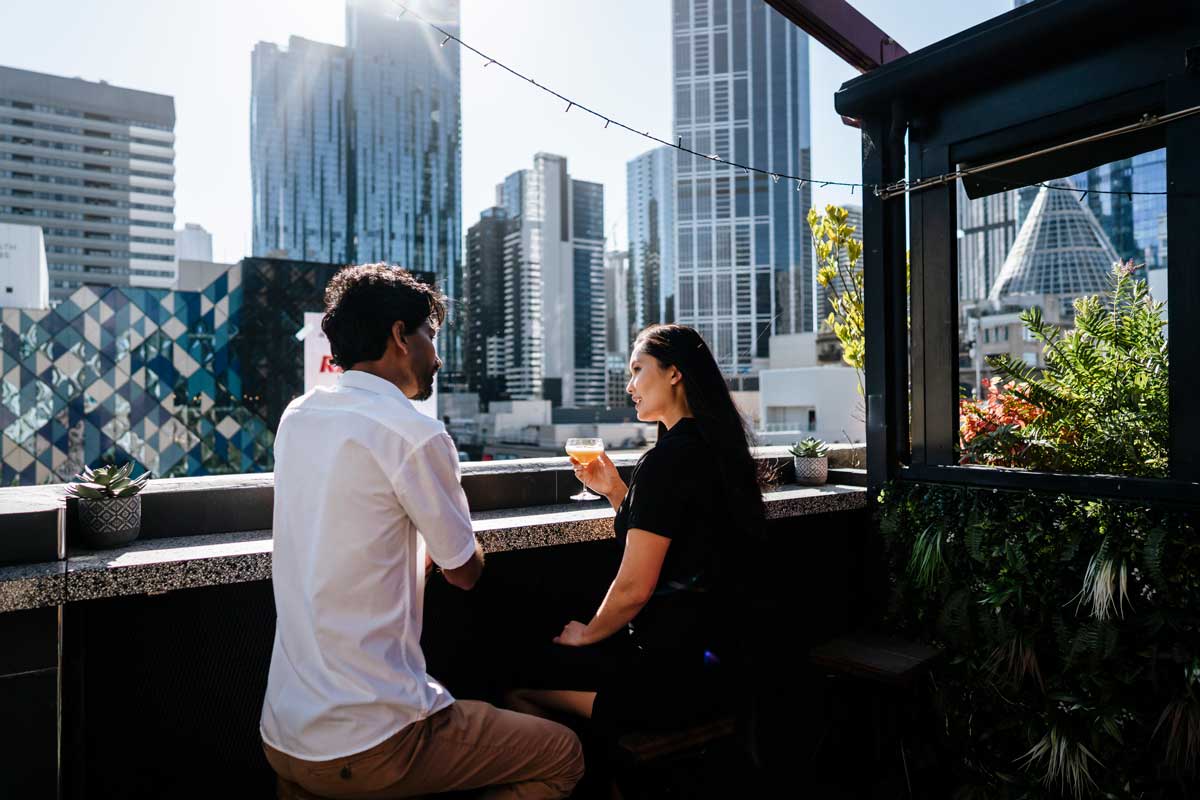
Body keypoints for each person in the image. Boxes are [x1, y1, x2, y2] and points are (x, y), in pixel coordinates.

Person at [261, 264, 583, 799]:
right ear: (398, 336)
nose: (436, 357)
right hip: (374, 738)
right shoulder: (415, 434)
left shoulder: (298, 416)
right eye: (430, 337)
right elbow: (463, 570)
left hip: (285, 733)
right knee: (563, 756)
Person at [506, 324, 766, 733]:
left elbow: (633, 589)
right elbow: (675, 535)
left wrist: (588, 634)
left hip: (666, 680)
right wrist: (616, 492)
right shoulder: (719, 449)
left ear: (673, 373)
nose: (629, 386)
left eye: (637, 370)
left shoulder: (665, 461)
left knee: (514, 687)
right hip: (721, 662)